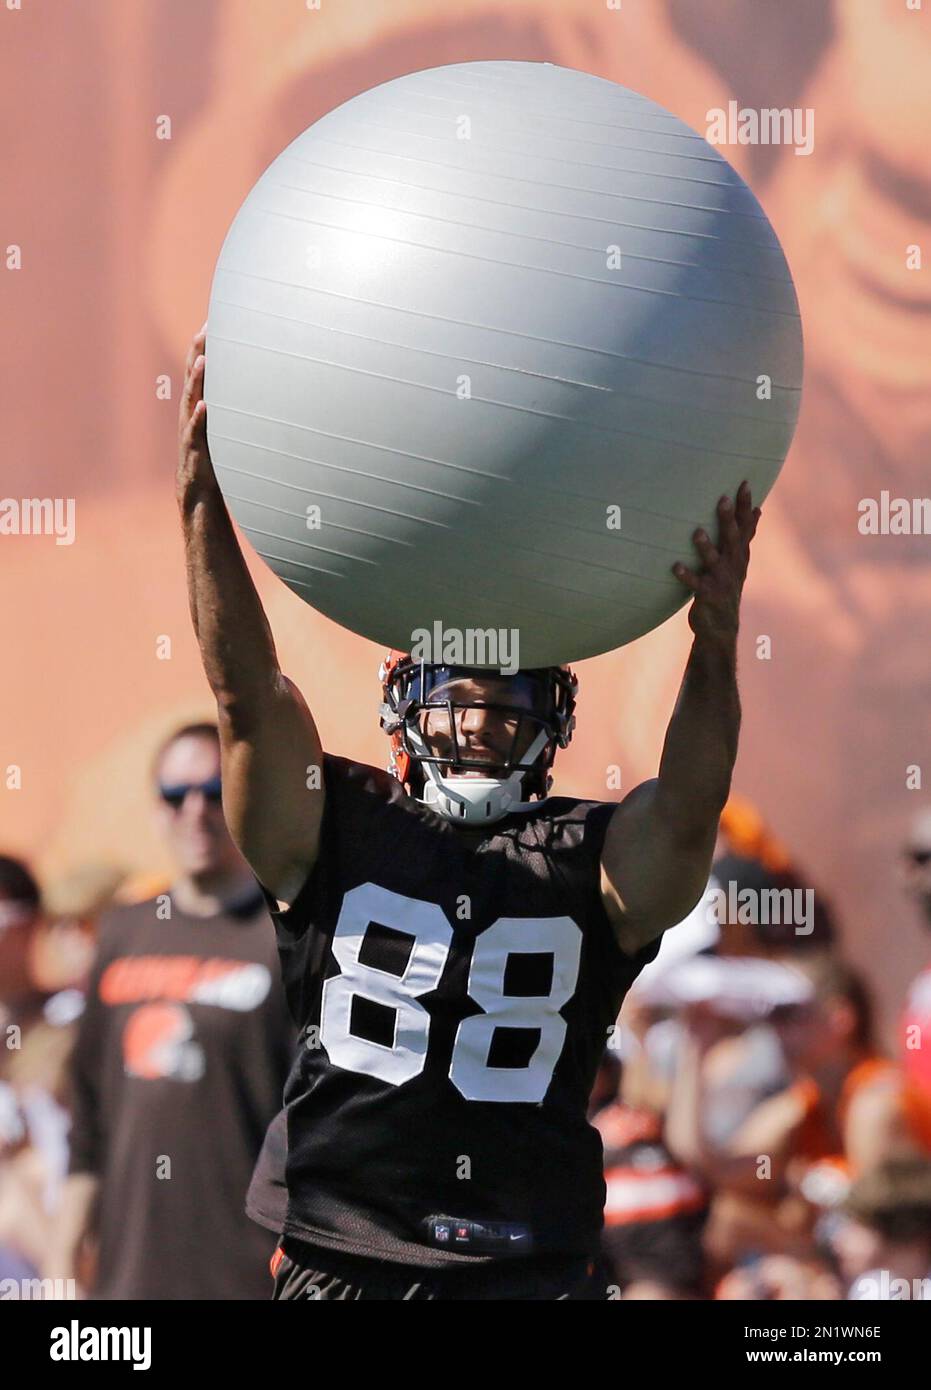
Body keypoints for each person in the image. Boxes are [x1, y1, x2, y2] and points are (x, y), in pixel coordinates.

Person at [177, 323, 761, 1299]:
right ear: (405, 699)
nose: (482, 711)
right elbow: (245, 693)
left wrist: (715, 639)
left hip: (523, 1266)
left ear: (553, 709)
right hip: (344, 1258)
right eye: (457, 684)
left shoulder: (597, 850)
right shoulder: (334, 819)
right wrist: (202, 500)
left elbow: (692, 809)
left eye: (507, 688)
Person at [50, 722, 293, 1299]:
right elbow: (88, 1123)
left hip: (246, 1277)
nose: (194, 811)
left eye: (213, 792)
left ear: (240, 797)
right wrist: (62, 1263)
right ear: (155, 806)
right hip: (128, 1283)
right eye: (174, 795)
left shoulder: (283, 938)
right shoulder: (122, 933)